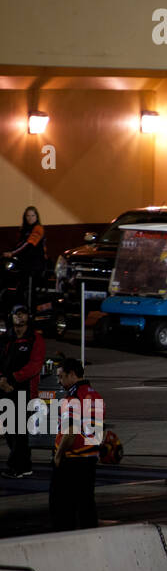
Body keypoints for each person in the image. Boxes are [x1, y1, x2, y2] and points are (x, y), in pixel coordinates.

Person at [50, 358, 103, 531]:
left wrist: (58, 456)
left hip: (71, 460)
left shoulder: (72, 398)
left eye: (61, 376)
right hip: (89, 460)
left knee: (63, 509)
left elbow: (70, 431)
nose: (59, 381)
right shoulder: (95, 395)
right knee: (86, 505)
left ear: (72, 374)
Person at [1, 305, 44, 479]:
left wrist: (12, 379)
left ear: (28, 317)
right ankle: (25, 465)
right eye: (16, 314)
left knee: (18, 430)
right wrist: (2, 380)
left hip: (23, 390)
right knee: (9, 430)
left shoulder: (35, 339)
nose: (19, 317)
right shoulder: (6, 338)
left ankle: (16, 467)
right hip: (4, 388)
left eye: (22, 314)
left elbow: (35, 365)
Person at [4, 205, 46, 306]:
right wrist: (11, 252)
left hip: (36, 264)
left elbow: (28, 244)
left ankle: (30, 309)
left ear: (36, 217)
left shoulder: (38, 229)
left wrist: (12, 253)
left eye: (32, 215)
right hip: (24, 263)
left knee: (30, 288)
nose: (30, 218)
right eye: (28, 215)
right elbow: (19, 244)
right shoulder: (23, 230)